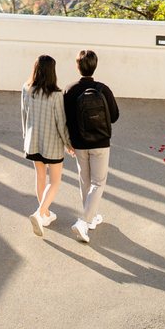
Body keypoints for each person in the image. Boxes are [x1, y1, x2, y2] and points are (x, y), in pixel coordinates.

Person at [63, 49, 119, 243]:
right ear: (95, 66)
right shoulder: (103, 89)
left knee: (84, 179)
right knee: (98, 182)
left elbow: (65, 118)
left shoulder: (69, 90)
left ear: (77, 66)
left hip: (78, 143)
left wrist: (67, 141)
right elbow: (114, 116)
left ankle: (91, 217)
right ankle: (84, 221)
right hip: (101, 142)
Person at [21, 54, 73, 238]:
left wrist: (25, 138)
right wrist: (69, 144)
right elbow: (61, 122)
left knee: (40, 177)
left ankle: (46, 215)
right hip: (51, 144)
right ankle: (39, 213)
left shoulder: (26, 89)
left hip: (32, 141)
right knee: (56, 181)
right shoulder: (56, 95)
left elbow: (24, 116)